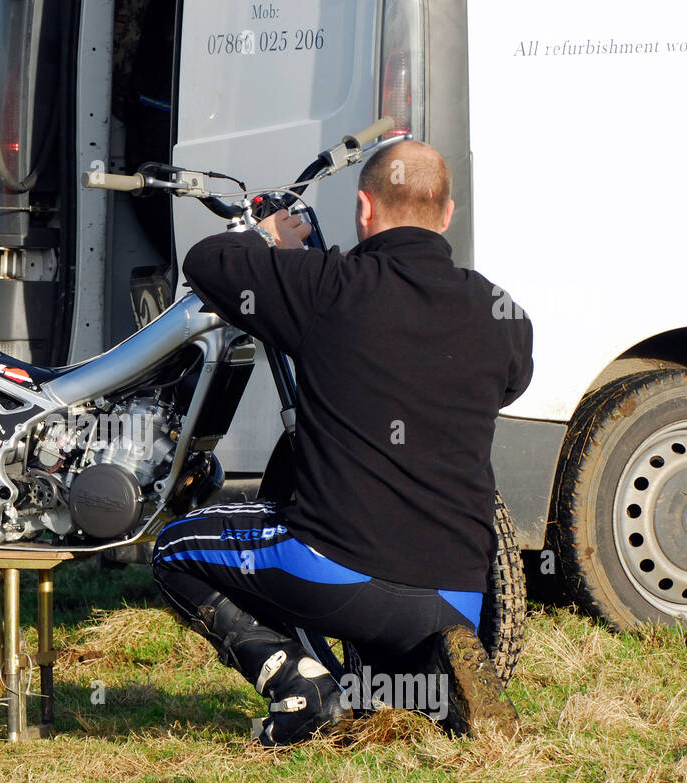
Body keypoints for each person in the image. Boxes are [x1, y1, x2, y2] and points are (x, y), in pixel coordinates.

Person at [151, 140, 534, 746]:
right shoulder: (502, 314)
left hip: (341, 578)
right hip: (456, 592)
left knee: (174, 546)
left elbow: (208, 260)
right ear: (448, 214)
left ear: (364, 209)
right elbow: (510, 384)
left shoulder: (328, 287)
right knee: (392, 689)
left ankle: (304, 689)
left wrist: (267, 232)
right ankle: (423, 686)